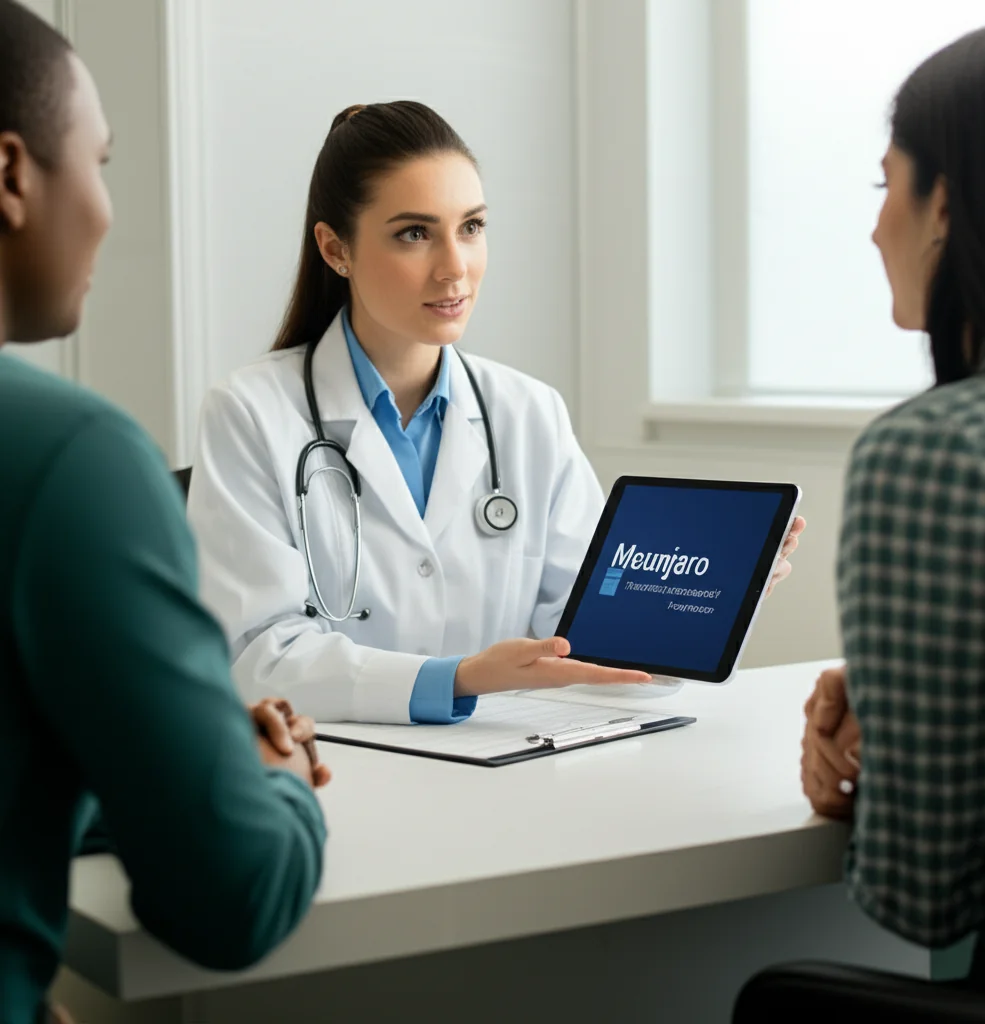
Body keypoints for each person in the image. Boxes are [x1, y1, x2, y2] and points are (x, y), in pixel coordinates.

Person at [187, 101, 805, 724]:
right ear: (335, 248)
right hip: (336, 771)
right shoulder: (249, 414)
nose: (455, 267)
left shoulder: (529, 412)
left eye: (472, 227)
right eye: (414, 233)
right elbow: (256, 658)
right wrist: (459, 678)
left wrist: (707, 605)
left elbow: (583, 636)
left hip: (505, 766)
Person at [0, 5, 329, 1022]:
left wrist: (158, 746)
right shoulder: (73, 457)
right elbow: (231, 895)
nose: (105, 208)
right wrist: (263, 779)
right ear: (11, 174)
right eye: (97, 161)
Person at [800, 16, 985, 997]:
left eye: (885, 182)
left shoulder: (941, 450)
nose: (874, 222)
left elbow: (919, 893)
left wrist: (889, 747)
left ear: (948, 207)